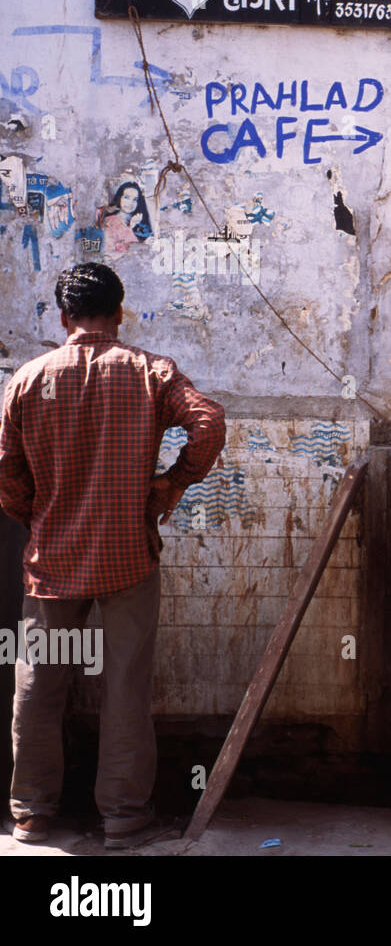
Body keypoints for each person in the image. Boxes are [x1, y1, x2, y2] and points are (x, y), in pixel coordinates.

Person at [0, 263, 225, 848]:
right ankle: (123, 818)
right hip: (129, 556)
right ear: (119, 313)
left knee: (38, 688)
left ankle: (31, 814)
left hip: (52, 562)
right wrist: (171, 485)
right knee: (125, 685)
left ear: (63, 316)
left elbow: (5, 473)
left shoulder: (27, 379)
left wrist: (39, 515)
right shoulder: (151, 372)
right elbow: (208, 422)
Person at [97, 182, 152, 254]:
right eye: (127, 197)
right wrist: (143, 245)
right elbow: (112, 249)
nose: (130, 203)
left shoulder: (138, 221)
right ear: (119, 198)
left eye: (135, 199)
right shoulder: (110, 221)